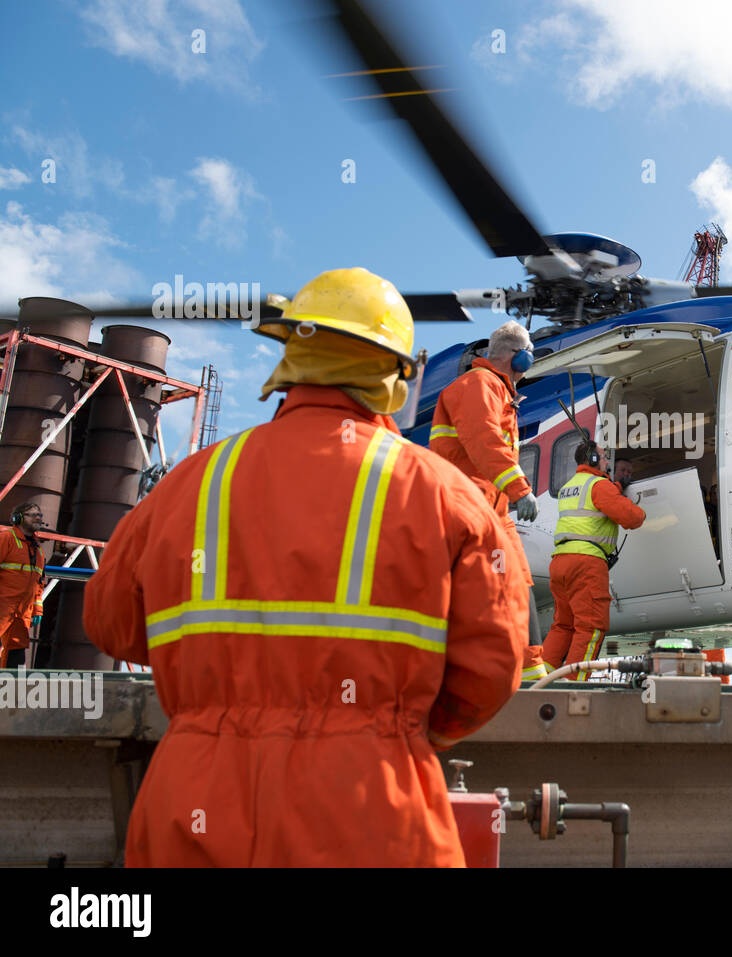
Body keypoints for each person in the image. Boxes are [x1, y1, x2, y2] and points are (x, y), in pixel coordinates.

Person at [83, 267, 528, 867]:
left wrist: (208, 687)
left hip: (195, 796)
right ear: (396, 375)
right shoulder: (446, 496)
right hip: (374, 805)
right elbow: (493, 664)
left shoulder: (192, 483)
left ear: (291, 358)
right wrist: (393, 728)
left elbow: (112, 625)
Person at [429, 320, 547, 680]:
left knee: (519, 581)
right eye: (529, 351)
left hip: (493, 509)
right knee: (472, 588)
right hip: (470, 504)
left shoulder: (497, 390)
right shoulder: (480, 385)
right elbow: (483, 439)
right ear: (519, 356)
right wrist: (520, 488)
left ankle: (531, 673)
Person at [542, 442, 645, 676]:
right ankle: (574, 687)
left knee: (562, 626)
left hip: (560, 561)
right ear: (594, 461)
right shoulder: (599, 485)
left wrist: (616, 486)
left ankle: (539, 680)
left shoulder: (572, 486)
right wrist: (640, 510)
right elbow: (632, 518)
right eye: (604, 457)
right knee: (590, 628)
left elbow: (595, 502)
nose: (607, 462)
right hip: (586, 563)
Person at [0, 503, 46, 669]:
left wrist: (37, 608)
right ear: (17, 518)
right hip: (3, 606)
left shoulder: (38, 550)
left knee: (17, 656)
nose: (37, 518)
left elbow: (39, 583)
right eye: (32, 514)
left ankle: (11, 692)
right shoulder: (7, 538)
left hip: (22, 613)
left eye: (39, 515)